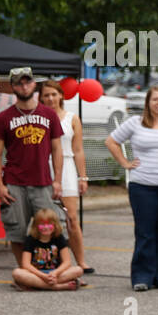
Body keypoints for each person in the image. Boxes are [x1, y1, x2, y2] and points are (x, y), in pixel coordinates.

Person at [106, 86, 158, 290]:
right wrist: (125, 163)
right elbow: (111, 141)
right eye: (155, 100)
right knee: (145, 232)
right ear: (148, 103)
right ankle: (142, 276)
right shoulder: (135, 123)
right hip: (142, 186)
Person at [0, 66, 64, 268]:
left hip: (43, 182)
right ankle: (26, 271)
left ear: (34, 84)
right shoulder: (4, 118)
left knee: (51, 229)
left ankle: (51, 270)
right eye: (19, 83)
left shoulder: (49, 114)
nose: (24, 86)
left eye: (27, 82)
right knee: (17, 231)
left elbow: (57, 149)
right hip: (14, 184)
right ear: (12, 87)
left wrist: (57, 180)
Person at [39, 80, 93, 275]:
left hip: (68, 167)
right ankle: (52, 259)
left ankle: (81, 260)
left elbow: (78, 150)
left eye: (54, 94)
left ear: (61, 95)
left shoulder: (72, 118)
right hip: (44, 167)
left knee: (71, 218)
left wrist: (83, 177)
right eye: (46, 95)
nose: (51, 98)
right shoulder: (39, 117)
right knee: (46, 218)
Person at [10, 207, 85, 291]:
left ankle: (36, 285)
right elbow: (26, 264)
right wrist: (43, 276)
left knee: (78, 270)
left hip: (55, 272)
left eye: (49, 224)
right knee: (17, 273)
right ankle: (58, 287)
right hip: (36, 273)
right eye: (42, 224)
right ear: (36, 226)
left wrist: (55, 273)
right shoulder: (31, 239)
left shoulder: (59, 238)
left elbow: (67, 262)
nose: (46, 227)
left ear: (55, 225)